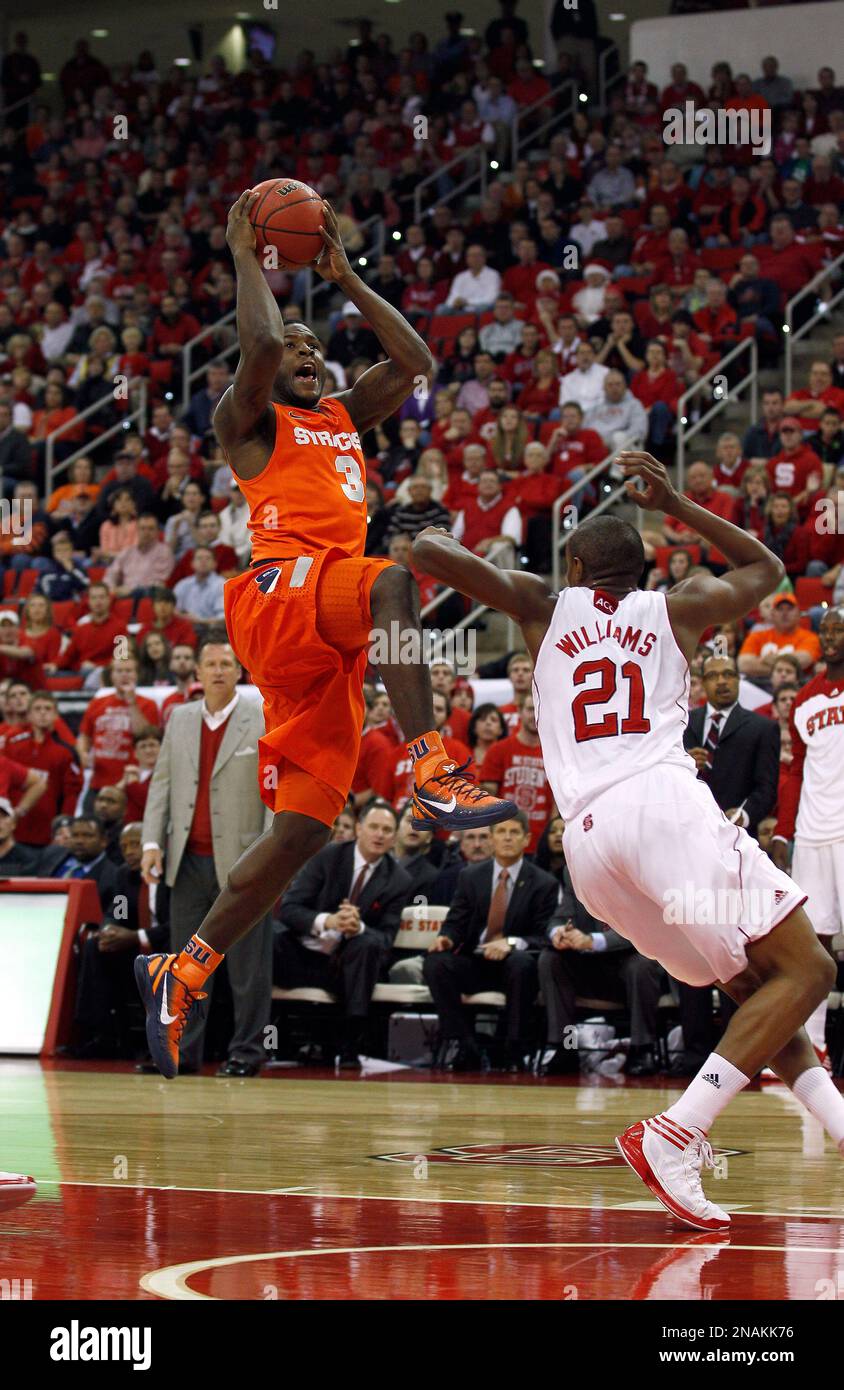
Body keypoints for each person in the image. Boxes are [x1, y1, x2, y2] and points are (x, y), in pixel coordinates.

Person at [135, 193, 516, 1079]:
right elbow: (261, 347)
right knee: (391, 576)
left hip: (329, 644)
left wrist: (346, 275)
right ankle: (430, 762)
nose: (303, 355)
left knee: (301, 831)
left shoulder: (343, 416)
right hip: (278, 597)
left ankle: (182, 968)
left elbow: (415, 359)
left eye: (317, 349)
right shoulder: (249, 421)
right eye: (293, 349)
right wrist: (246, 256)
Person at [413, 451, 843, 1229]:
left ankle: (833, 1127)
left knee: (759, 986)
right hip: (660, 806)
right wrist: (677, 499)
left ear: (576, 567)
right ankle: (677, 1133)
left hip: (589, 850)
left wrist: (413, 533)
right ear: (639, 568)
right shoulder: (675, 609)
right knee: (810, 966)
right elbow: (769, 566)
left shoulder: (542, 606)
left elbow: (429, 553)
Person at [141, 639, 273, 1077]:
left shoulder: (261, 717)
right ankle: (184, 1051)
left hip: (244, 864)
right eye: (210, 664)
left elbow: (276, 788)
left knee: (247, 967)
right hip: (187, 860)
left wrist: (272, 855)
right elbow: (161, 783)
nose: (218, 671)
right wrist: (151, 843)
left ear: (240, 671)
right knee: (186, 965)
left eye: (226, 664)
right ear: (196, 672)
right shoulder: (179, 719)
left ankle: (247, 1053)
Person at [274, 800, 412, 1066]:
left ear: (394, 837)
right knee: (266, 937)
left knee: (367, 945)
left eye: (386, 830)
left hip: (347, 966)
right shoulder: (327, 856)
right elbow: (290, 909)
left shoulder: (399, 879)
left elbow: (386, 938)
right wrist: (329, 921)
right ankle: (254, 1040)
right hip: (303, 954)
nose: (379, 834)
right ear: (359, 828)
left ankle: (350, 1046)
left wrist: (357, 927)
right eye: (373, 827)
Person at [423, 812, 557, 1071]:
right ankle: (464, 1044)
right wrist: (445, 939)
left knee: (521, 965)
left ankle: (513, 1050)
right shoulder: (471, 876)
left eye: (514, 832)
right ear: (493, 838)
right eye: (501, 832)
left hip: (515, 966)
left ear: (526, 839)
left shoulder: (544, 883)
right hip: (476, 960)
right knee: (435, 963)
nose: (507, 837)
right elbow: (456, 923)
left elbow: (544, 936)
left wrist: (510, 943)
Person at [771, 606, 844, 1070]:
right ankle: (812, 1044)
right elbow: (796, 770)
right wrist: (783, 830)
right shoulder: (805, 699)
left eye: (840, 629)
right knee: (811, 943)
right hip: (814, 832)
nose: (832, 636)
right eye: (826, 630)